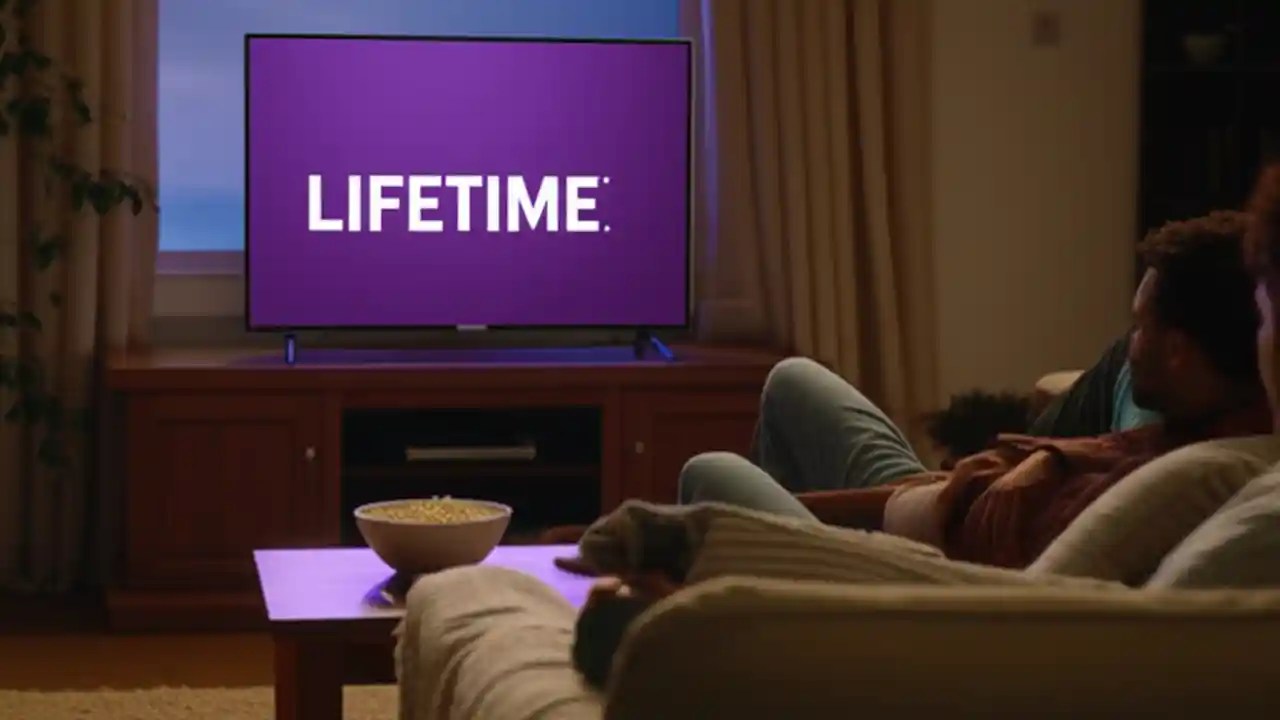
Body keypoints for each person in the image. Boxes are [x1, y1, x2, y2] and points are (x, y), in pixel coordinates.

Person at [678, 211, 1272, 567]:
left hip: (899, 576)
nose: (1129, 341)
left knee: (709, 476)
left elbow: (987, 579)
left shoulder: (1165, 484)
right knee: (793, 381)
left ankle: (769, 604)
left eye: (1140, 325)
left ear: (1177, 349)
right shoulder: (1203, 422)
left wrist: (765, 526)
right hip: (932, 512)